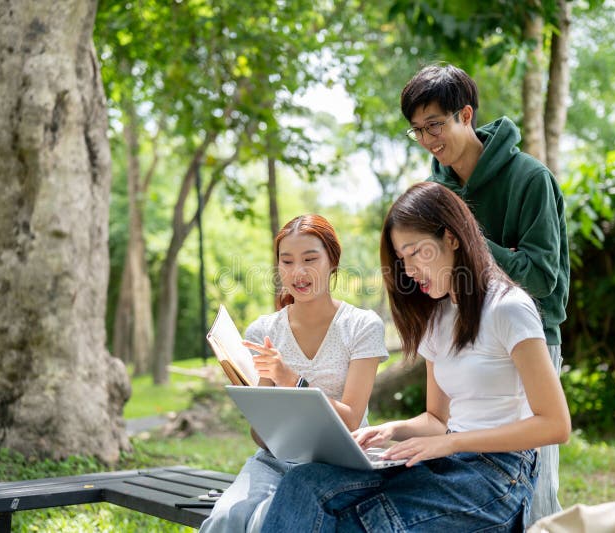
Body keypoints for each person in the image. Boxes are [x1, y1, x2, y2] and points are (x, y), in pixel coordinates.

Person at [260, 182, 571, 532]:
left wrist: (450, 442)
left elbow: (555, 425)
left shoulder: (509, 308)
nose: (408, 270)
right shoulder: (437, 316)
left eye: (416, 253)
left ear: (451, 238)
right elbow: (436, 419)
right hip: (446, 460)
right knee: (304, 483)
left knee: (361, 524)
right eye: (402, 258)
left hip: (499, 475)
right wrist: (390, 429)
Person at [400, 63, 570, 522]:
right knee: (467, 482)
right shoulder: (436, 190)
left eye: (435, 124)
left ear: (466, 115)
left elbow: (541, 278)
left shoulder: (530, 179)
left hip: (527, 339)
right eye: (417, 130)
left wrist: (467, 237)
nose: (428, 139)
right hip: (462, 340)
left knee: (534, 491)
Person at [199, 214, 389, 533]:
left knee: (265, 521)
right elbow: (261, 438)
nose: (297, 272)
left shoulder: (362, 326)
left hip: (339, 464)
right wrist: (255, 403)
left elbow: (352, 420)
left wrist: (291, 381)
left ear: (332, 261)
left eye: (310, 259)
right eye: (287, 261)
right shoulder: (263, 331)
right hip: (274, 461)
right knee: (226, 517)